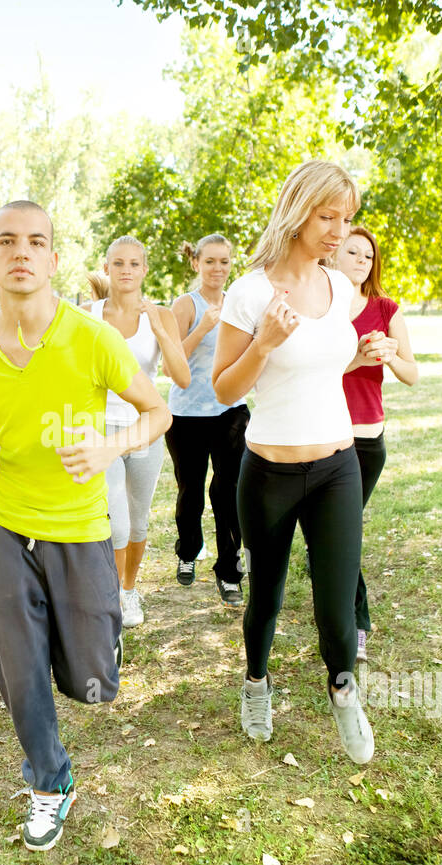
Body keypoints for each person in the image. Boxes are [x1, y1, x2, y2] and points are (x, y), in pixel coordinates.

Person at [0, 201, 170, 851]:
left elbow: (157, 414)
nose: (22, 252)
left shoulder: (92, 338)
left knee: (92, 680)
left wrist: (110, 447)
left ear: (53, 259)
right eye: (7, 242)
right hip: (9, 529)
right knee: (20, 667)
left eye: (36, 242)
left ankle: (95, 641)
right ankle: (50, 782)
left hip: (81, 532)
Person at [212, 159, 379, 763]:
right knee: (269, 595)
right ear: (298, 209)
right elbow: (226, 388)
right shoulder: (252, 291)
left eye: (347, 218)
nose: (339, 231)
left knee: (337, 604)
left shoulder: (341, 287)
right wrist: (265, 343)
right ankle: (256, 683)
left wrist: (361, 355)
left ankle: (342, 689)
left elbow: (322, 365)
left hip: (337, 466)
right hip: (270, 474)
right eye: (327, 216)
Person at [86, 236, 189, 628]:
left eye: (133, 264)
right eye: (118, 263)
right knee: (117, 523)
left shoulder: (161, 315)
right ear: (108, 268)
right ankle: (112, 594)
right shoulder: (89, 314)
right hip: (103, 430)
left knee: (139, 521)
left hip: (146, 427)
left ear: (144, 270)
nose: (126, 270)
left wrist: (162, 333)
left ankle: (129, 589)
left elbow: (181, 376)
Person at [336, 226, 418, 661]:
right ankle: (356, 623)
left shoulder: (386, 308)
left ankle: (353, 621)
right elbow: (309, 372)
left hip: (369, 441)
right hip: (327, 437)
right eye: (352, 252)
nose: (361, 261)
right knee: (342, 534)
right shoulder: (323, 308)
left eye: (368, 256)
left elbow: (412, 373)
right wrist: (357, 359)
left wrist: (388, 353)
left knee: (343, 534)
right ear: (334, 255)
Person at [165, 234, 250, 606]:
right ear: (196, 263)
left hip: (230, 412)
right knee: (191, 492)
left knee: (230, 494)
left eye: (225, 262)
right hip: (186, 416)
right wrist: (201, 328)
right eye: (211, 261)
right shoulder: (185, 305)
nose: (218, 269)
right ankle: (188, 550)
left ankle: (230, 573)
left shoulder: (239, 305)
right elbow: (171, 365)